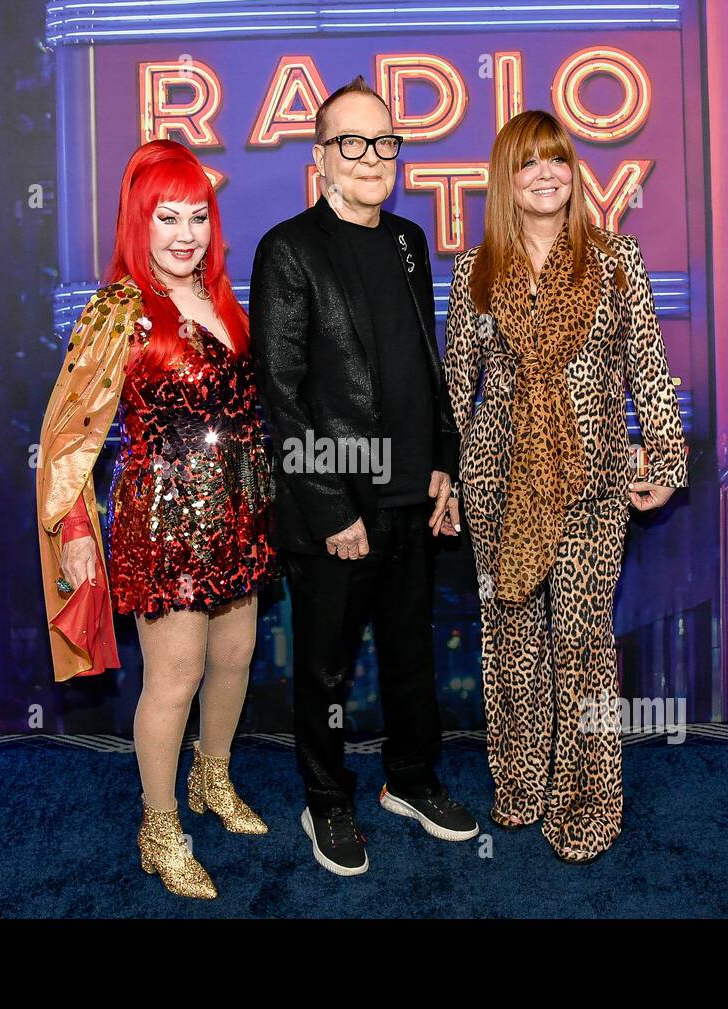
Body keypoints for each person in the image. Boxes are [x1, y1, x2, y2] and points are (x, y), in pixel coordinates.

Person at [443, 109, 688, 863]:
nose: (547, 174)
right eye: (529, 163)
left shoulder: (618, 262)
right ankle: (519, 782)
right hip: (499, 481)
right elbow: (457, 389)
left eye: (558, 160)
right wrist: (445, 481)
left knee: (582, 643)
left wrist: (667, 458)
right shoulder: (475, 271)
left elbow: (648, 369)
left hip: (592, 478)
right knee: (511, 640)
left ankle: (586, 799)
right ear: (506, 180)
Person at [36, 139, 279, 899]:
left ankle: (213, 777)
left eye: (197, 216)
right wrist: (75, 531)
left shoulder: (224, 299)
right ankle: (161, 825)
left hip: (238, 511)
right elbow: (69, 431)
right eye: (166, 217)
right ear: (138, 225)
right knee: (173, 677)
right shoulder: (121, 310)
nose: (185, 233)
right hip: (166, 518)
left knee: (235, 657)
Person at [250, 75, 479, 878]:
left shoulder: (410, 240)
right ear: (321, 158)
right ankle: (329, 800)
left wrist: (444, 462)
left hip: (413, 497)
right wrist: (330, 506)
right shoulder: (288, 248)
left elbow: (428, 361)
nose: (372, 157)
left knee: (412, 654)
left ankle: (411, 779)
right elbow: (279, 392)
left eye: (385, 143)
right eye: (353, 143)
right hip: (338, 504)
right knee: (326, 668)